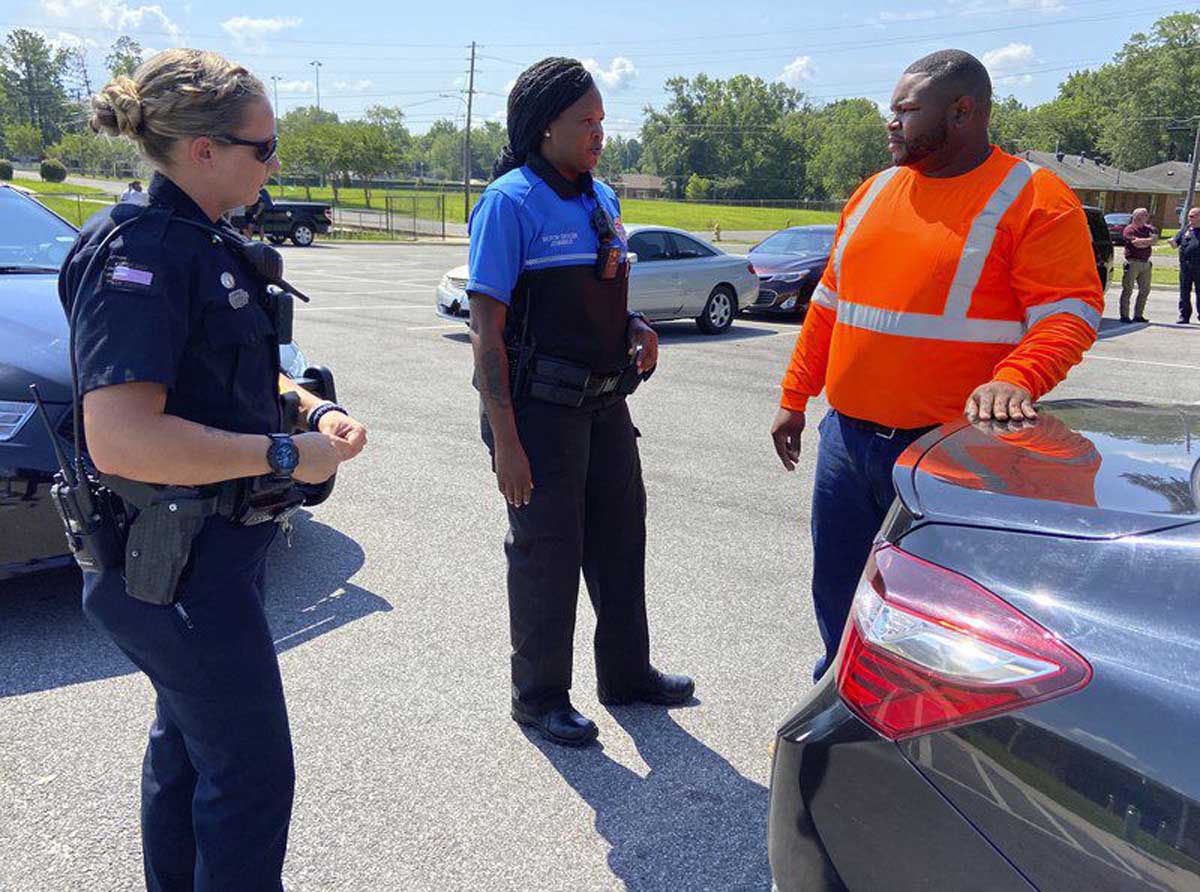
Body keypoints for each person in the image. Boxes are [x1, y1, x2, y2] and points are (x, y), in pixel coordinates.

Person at [60, 49, 368, 891]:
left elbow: (222, 371)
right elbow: (121, 439)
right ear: (204, 151)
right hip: (173, 571)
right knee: (251, 776)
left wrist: (306, 409)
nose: (276, 161)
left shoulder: (200, 240)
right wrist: (280, 454)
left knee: (190, 753)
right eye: (263, 147)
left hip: (207, 560)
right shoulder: (144, 253)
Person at [769, 49, 1104, 681]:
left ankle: (923, 735)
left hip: (953, 455)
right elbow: (829, 307)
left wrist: (1016, 378)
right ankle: (843, 697)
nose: (890, 122)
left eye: (905, 110)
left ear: (962, 111)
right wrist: (796, 395)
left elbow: (1071, 312)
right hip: (847, 440)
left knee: (941, 614)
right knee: (841, 592)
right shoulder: (872, 192)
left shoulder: (1033, 196)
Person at [467, 57, 693, 748]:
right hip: (537, 415)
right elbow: (487, 333)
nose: (599, 133)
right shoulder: (509, 202)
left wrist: (636, 326)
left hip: (605, 405)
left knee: (623, 540)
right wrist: (506, 440)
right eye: (584, 122)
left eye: (601, 119)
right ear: (543, 130)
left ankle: (627, 674)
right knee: (548, 554)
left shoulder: (602, 200)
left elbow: (599, 297)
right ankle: (537, 697)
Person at [1118, 207, 1157, 323]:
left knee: (1145, 290)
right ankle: (1124, 315)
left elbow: (1155, 240)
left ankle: (1138, 315)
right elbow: (1136, 244)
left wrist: (1144, 241)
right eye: (1143, 215)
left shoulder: (1148, 229)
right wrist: (1148, 241)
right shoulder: (1129, 229)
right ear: (1136, 216)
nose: (1145, 217)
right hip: (1133, 262)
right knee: (1128, 289)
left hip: (1146, 263)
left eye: (1146, 215)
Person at [1171, 206, 1200, 324]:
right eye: (1189, 216)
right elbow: (1175, 244)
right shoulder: (1186, 229)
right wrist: (1171, 242)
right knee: (1184, 292)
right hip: (1185, 267)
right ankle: (1184, 315)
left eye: (1192, 216)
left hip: (1199, 267)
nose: (1189, 218)